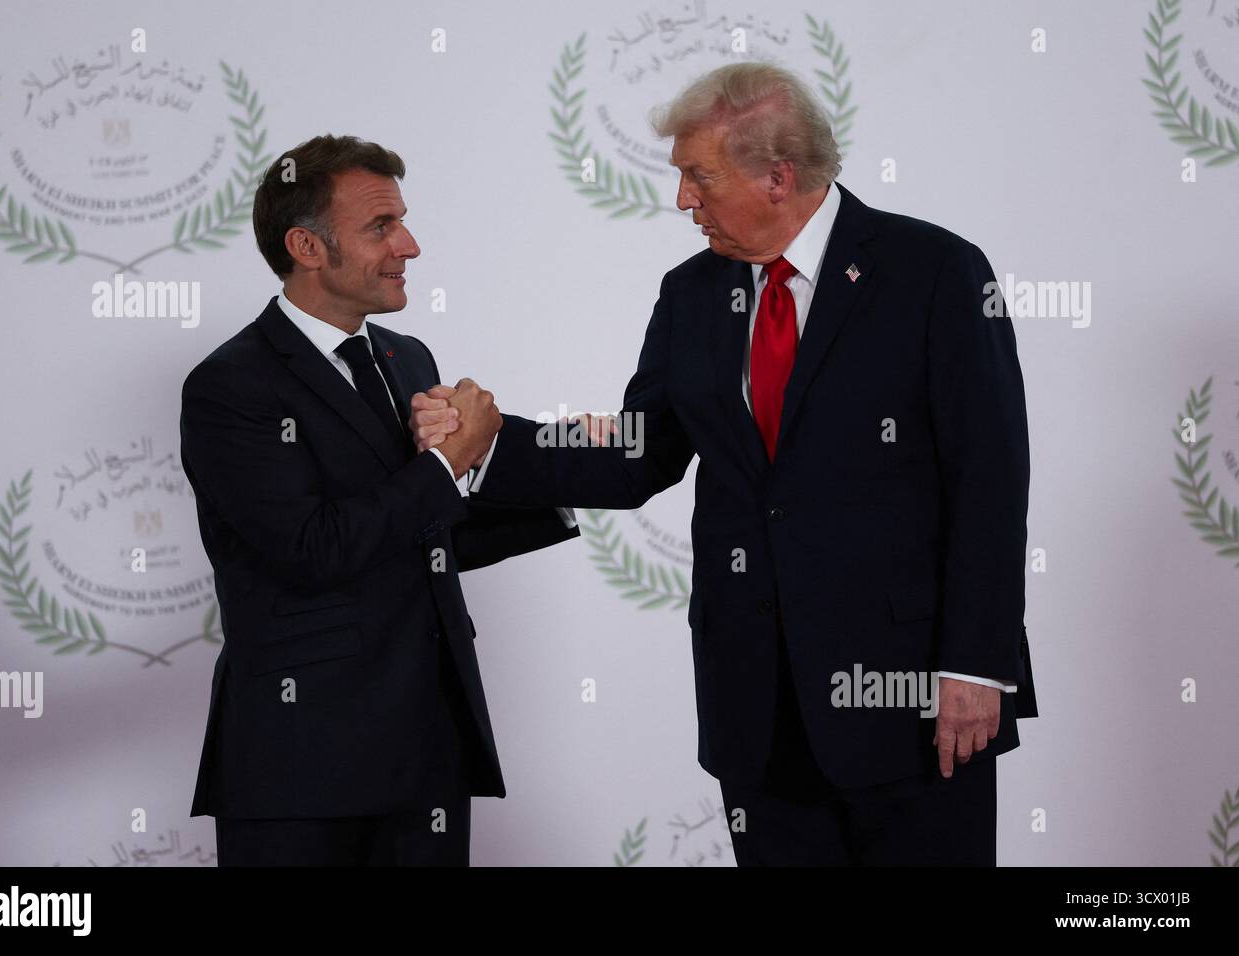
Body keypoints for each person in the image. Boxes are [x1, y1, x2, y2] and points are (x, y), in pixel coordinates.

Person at [412, 63, 1037, 865]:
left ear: (778, 176)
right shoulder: (693, 293)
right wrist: (493, 439)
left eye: (697, 177)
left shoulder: (936, 272)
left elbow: (990, 479)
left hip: (915, 701)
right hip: (758, 708)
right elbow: (640, 452)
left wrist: (975, 666)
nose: (682, 201)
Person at [180, 134, 578, 866]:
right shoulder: (230, 385)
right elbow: (313, 550)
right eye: (380, 227)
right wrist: (444, 463)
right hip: (300, 768)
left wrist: (551, 479)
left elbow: (423, 533)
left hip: (426, 749)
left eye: (403, 220)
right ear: (307, 245)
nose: (411, 245)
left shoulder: (407, 357)